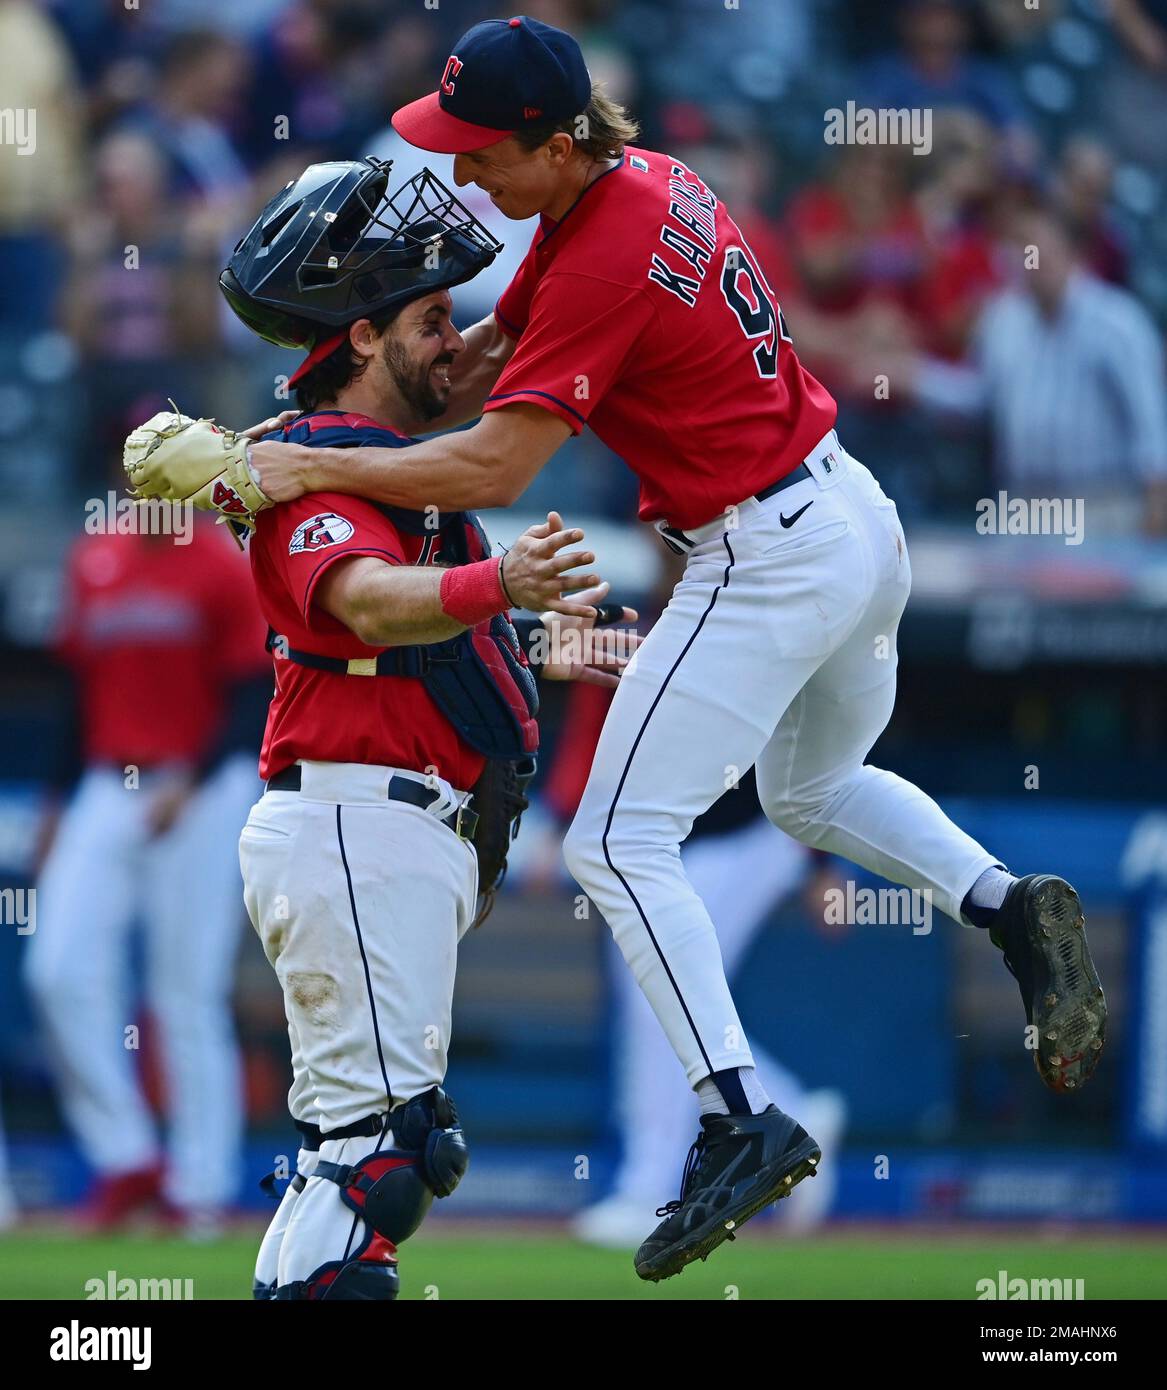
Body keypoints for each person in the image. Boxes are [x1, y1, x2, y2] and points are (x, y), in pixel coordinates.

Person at [138, 16, 1108, 1284]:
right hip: (853, 519)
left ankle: (734, 1117)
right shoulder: (651, 186)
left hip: (760, 547)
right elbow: (485, 365)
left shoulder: (599, 247)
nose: (467, 174)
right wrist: (282, 432)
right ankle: (1007, 905)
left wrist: (293, 461)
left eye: (484, 151)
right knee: (806, 789)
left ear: (551, 138)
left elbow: (496, 456)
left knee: (610, 840)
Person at [217, 158, 637, 1299]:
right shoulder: (306, 475)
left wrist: (542, 641)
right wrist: (501, 587)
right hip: (352, 821)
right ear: (362, 340)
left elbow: (419, 640)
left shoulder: (400, 471)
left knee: (355, 1157)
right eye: (430, 320)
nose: (454, 345)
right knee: (380, 1162)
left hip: (391, 833)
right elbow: (361, 601)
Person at [24, 477, 267, 1235]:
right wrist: (59, 805)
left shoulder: (222, 560)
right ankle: (126, 1155)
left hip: (201, 786)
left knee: (184, 992)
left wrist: (188, 784)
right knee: (57, 969)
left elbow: (250, 693)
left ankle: (199, 1185)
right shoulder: (96, 556)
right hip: (108, 781)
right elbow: (76, 693)